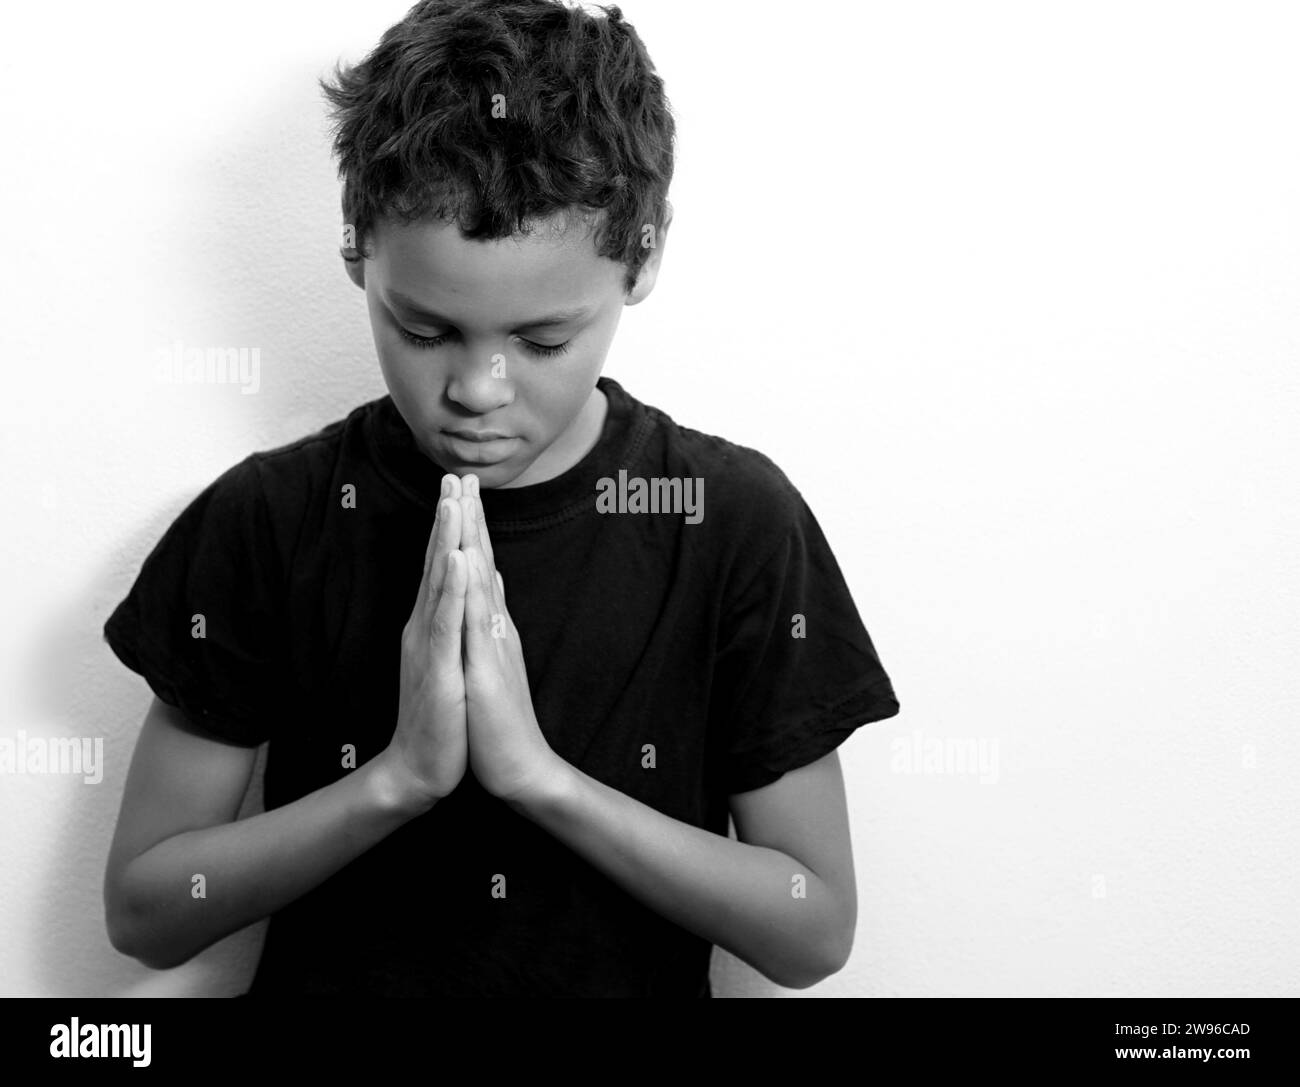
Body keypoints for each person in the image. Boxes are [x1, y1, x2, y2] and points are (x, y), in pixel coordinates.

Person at [101, 0, 900, 997]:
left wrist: (539, 778)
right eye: (425, 329)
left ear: (641, 256)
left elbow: (811, 929)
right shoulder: (268, 518)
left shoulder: (731, 521)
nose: (478, 389)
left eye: (542, 339)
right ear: (356, 244)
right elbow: (143, 912)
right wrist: (395, 780)